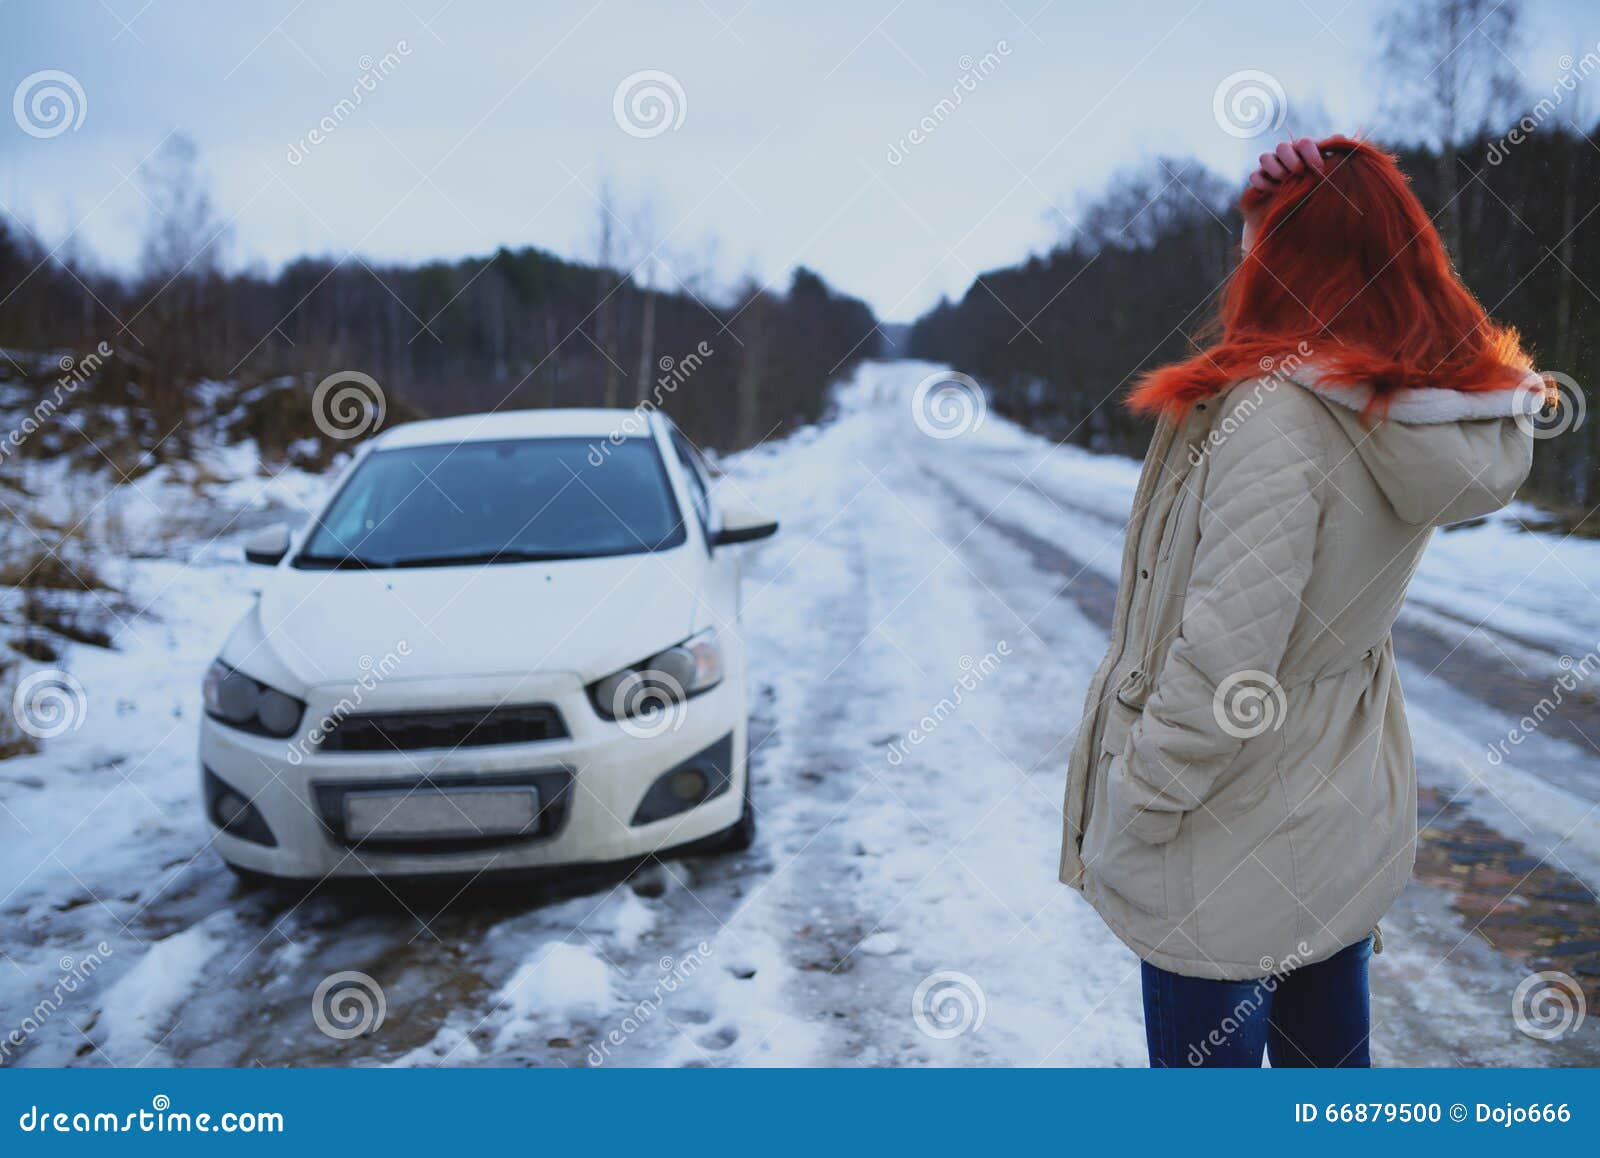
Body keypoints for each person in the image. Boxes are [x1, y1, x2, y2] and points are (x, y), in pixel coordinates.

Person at [1057, 135, 1546, 1067]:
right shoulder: (1398, 403)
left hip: (1219, 828)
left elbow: (1227, 658)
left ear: (1289, 263)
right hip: (1332, 806)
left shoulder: (1276, 412)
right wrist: (1301, 207)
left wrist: (1142, 800)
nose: (1245, 264)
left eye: (1265, 243)